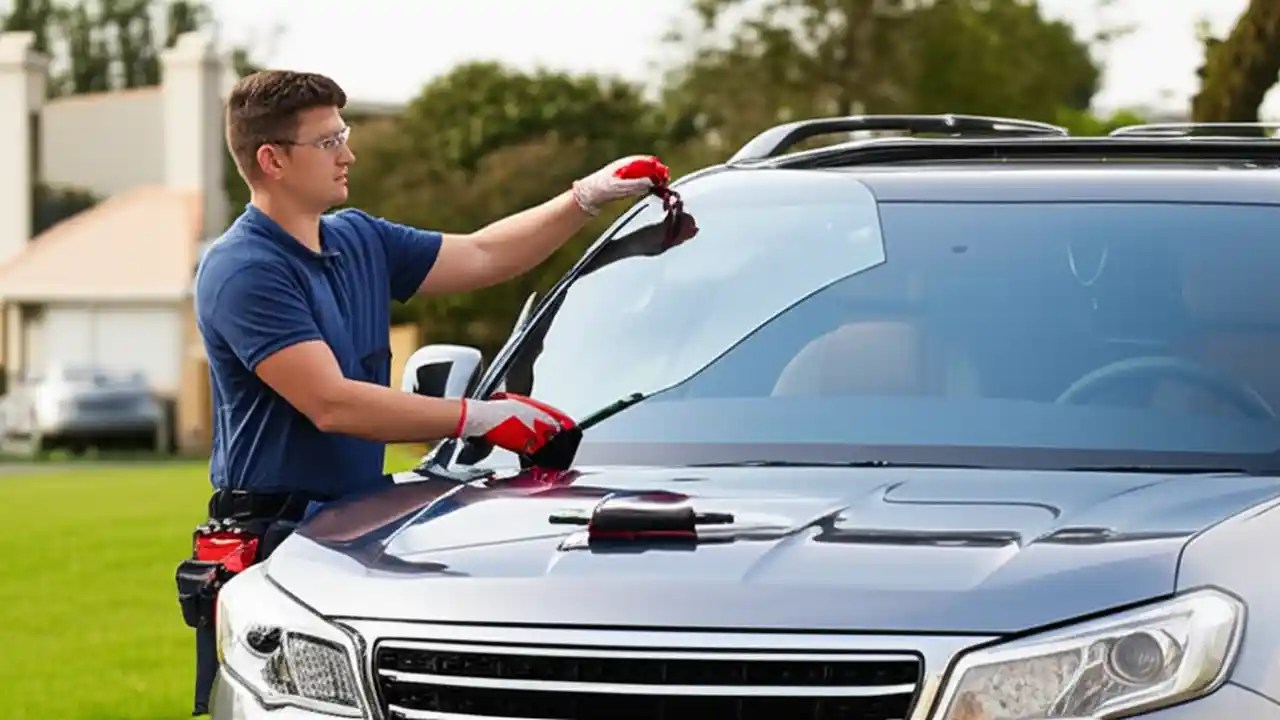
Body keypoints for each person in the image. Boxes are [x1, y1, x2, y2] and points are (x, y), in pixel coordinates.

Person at [177, 68, 663, 715]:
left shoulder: (358, 239)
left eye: (343, 134)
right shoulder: (243, 270)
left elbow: (488, 255)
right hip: (277, 540)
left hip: (352, 522)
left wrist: (587, 197)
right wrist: (481, 417)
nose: (347, 153)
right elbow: (333, 403)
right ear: (272, 160)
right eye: (327, 142)